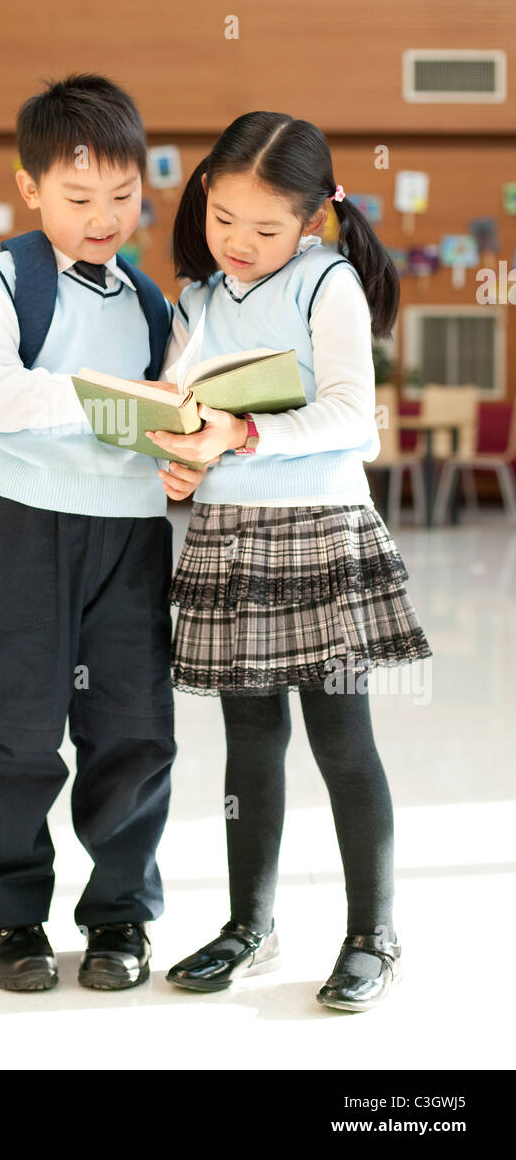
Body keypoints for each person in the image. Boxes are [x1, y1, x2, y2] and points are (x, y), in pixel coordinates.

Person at [148, 111, 432, 1012]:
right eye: (224, 217)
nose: (239, 242)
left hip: (320, 528)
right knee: (250, 744)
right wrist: (181, 458)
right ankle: (250, 925)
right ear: (203, 199)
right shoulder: (194, 299)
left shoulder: (327, 283)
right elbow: (181, 412)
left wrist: (247, 432)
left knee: (343, 743)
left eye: (267, 228)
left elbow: (356, 418)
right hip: (229, 535)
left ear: (311, 221)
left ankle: (372, 934)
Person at [0, 74, 200, 992]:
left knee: (134, 730)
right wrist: (106, 404)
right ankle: (7, 916)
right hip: (23, 524)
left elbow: (168, 416)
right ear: (30, 190)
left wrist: (179, 453)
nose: (105, 217)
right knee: (16, 724)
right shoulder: (1, 279)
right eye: (79, 198)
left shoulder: (147, 301)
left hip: (130, 535)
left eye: (125, 198)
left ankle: (121, 918)